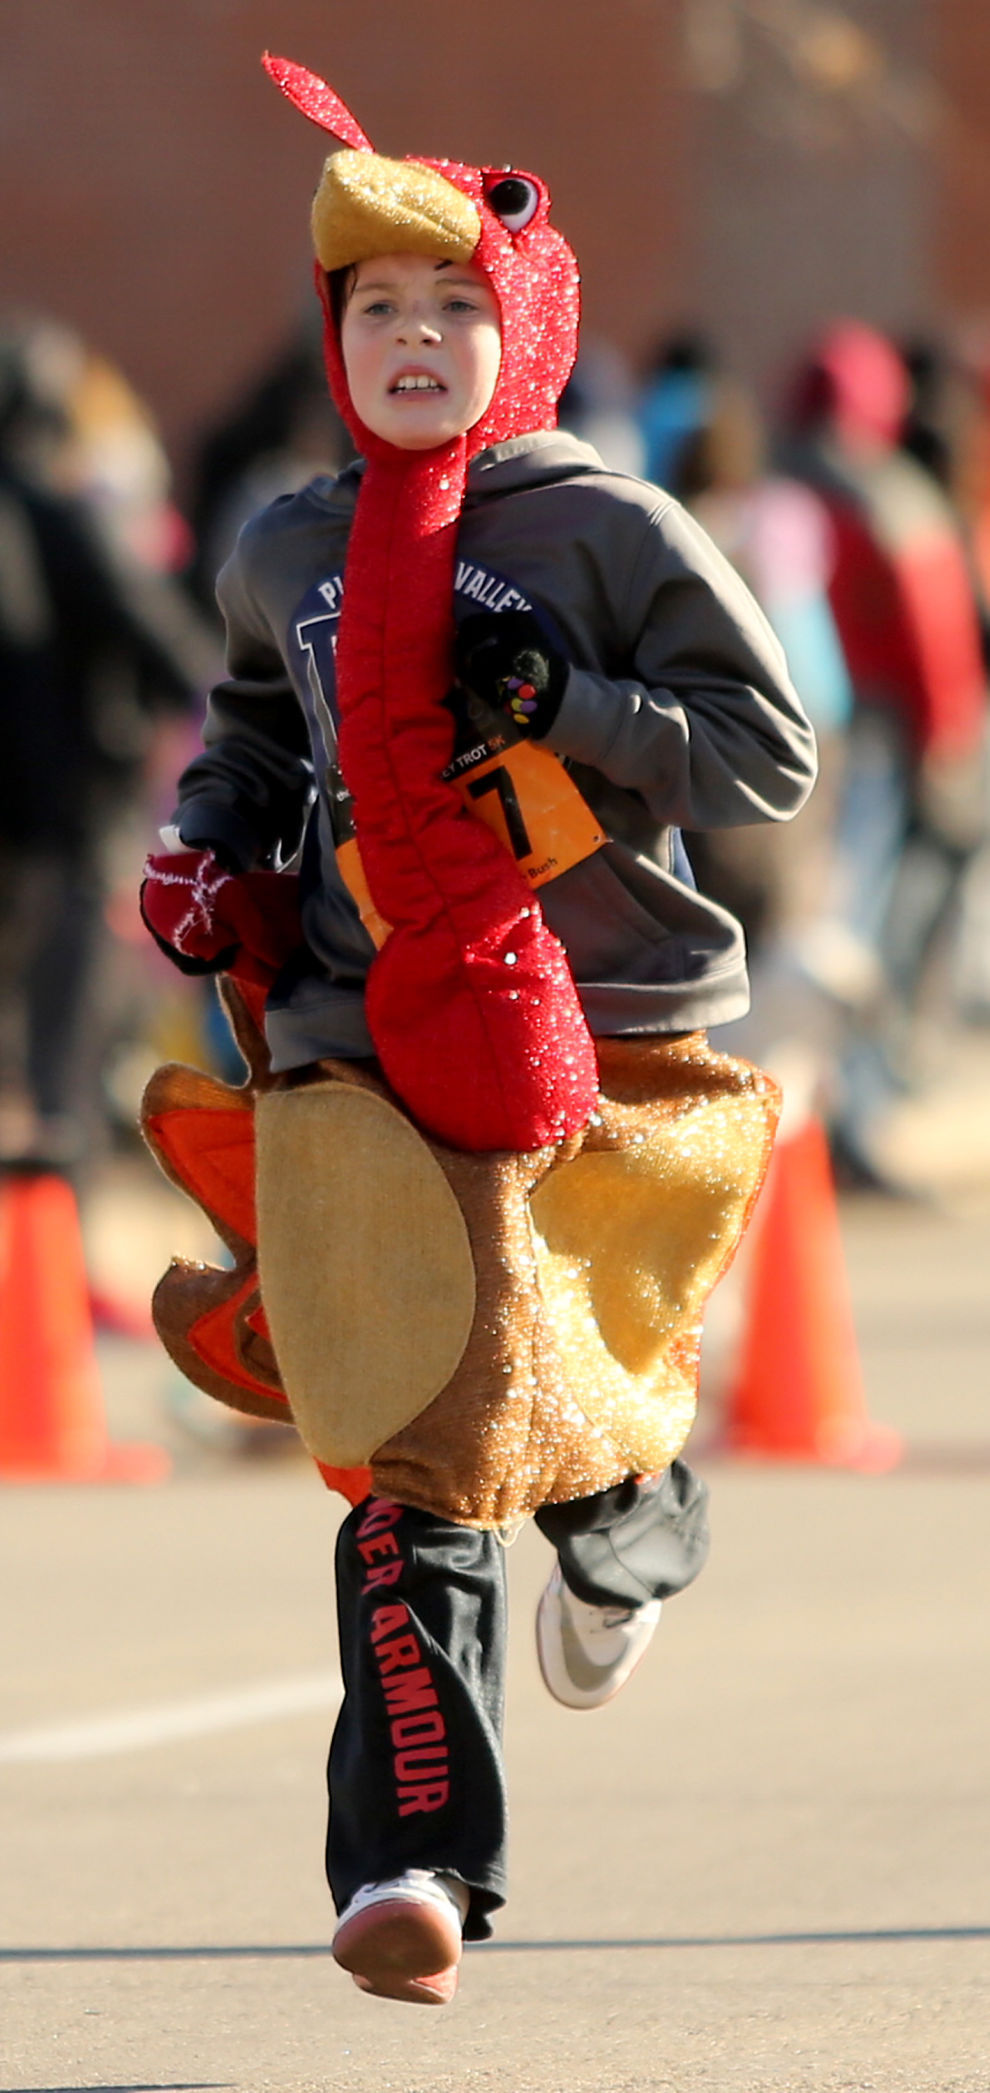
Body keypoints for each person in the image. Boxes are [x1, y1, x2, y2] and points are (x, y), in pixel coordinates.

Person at [140, 56, 817, 2008]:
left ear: (515, 330)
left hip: (613, 1031)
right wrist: (213, 842)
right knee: (412, 1454)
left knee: (563, 1407)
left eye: (451, 307)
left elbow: (764, 757)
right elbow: (264, 723)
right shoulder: (289, 543)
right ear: (332, 337)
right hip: (371, 1036)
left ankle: (628, 1517)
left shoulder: (607, 529)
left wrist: (573, 707)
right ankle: (415, 1865)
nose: (412, 340)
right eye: (373, 310)